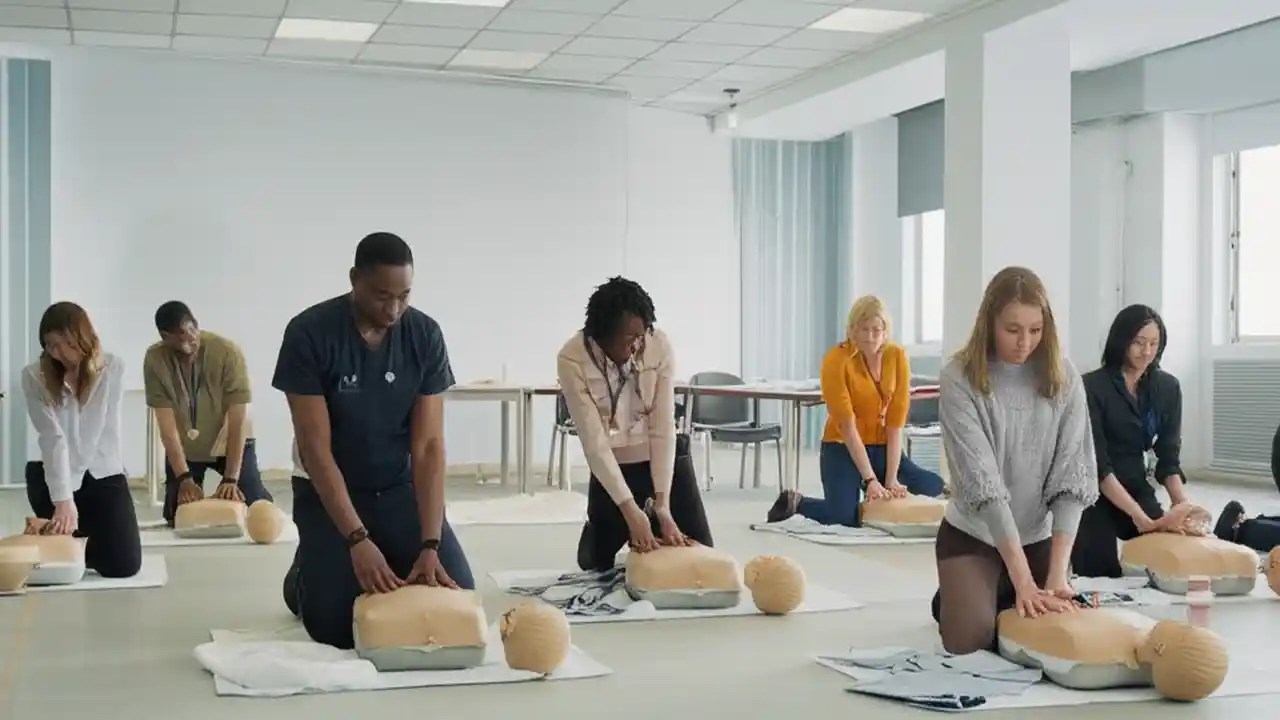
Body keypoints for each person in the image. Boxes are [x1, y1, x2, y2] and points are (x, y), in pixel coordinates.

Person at [274, 231, 475, 649]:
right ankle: (304, 575)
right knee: (333, 628)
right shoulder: (309, 333)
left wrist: (430, 542)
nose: (395, 308)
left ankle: (381, 546)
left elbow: (428, 447)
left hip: (396, 486)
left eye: (404, 295)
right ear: (354, 280)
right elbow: (316, 451)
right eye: (383, 296)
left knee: (455, 594)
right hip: (328, 490)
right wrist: (356, 539)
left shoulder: (424, 335)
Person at [930, 266, 1098, 654]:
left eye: (1035, 330)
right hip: (974, 535)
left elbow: (1073, 474)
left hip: (1037, 537)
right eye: (1012, 330)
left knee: (1053, 623)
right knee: (970, 642)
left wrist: (1058, 573)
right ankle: (959, 595)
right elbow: (984, 485)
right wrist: (1023, 580)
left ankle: (992, 591)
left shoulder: (1065, 376)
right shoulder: (958, 378)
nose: (1025, 343)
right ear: (988, 322)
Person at [557, 276, 713, 572]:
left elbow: (663, 427)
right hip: (613, 465)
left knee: (701, 553)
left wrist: (663, 505)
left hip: (662, 460)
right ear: (604, 335)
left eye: (642, 335)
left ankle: (655, 514)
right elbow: (594, 443)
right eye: (630, 338)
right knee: (595, 564)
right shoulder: (572, 358)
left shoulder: (659, 346)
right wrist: (629, 509)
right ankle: (600, 527)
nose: (637, 345)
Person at [765, 295, 945, 526]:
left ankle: (872, 500)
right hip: (843, 447)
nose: (870, 337)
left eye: (876, 330)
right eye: (863, 329)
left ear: (886, 331)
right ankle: (795, 502)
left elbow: (895, 424)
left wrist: (890, 480)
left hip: (883, 447)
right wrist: (870, 479)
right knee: (843, 517)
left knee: (933, 486)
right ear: (852, 330)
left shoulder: (897, 357)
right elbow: (847, 428)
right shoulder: (836, 360)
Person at [1070, 305, 1201, 578]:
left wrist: (1182, 505)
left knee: (1168, 561)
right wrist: (1138, 516)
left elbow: (1168, 458)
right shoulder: (1092, 387)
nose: (1147, 352)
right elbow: (1099, 466)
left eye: (1154, 343)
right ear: (1121, 341)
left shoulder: (1168, 388)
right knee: (1100, 572)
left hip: (1134, 483)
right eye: (1139, 343)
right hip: (1094, 493)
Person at [20, 302, 141, 578]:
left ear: (83, 338)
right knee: (62, 565)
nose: (57, 352)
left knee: (124, 566)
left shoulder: (112, 368)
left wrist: (114, 484)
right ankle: (63, 538)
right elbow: (53, 438)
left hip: (102, 471)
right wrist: (63, 499)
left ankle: (78, 540)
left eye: (65, 343)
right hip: (51, 474)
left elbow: (108, 430)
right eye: (50, 345)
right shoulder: (33, 377)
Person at [143, 301, 273, 527]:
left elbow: (237, 420)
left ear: (196, 324)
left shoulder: (227, 352)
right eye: (178, 339)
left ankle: (258, 493)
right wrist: (184, 478)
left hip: (229, 440)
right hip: (188, 447)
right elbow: (166, 427)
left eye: (189, 333)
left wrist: (231, 478)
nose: (186, 344)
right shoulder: (156, 360)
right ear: (165, 337)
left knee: (255, 506)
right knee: (176, 516)